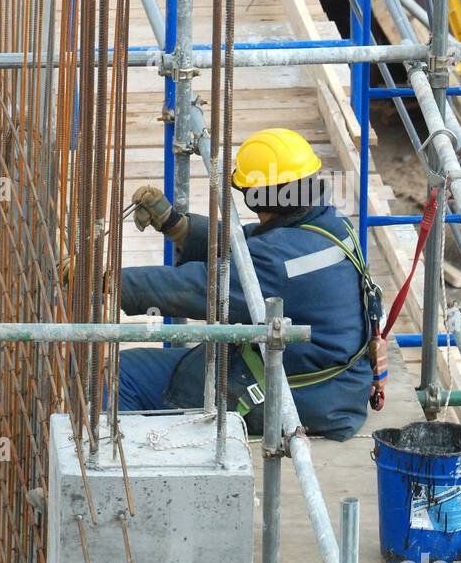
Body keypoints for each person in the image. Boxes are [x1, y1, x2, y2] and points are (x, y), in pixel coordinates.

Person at [117, 128, 378, 440]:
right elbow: (253, 243)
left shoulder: (278, 260)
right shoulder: (332, 226)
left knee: (118, 376)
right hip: (330, 385)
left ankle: (139, 473)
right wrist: (178, 226)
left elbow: (194, 287)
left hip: (297, 395)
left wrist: (107, 282)